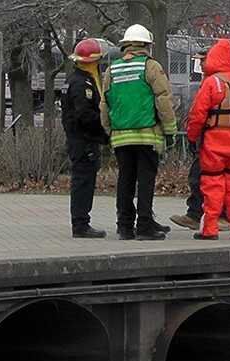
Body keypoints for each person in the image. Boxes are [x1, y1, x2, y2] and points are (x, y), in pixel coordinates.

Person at [100, 24, 177, 240]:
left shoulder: (112, 69)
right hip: (147, 135)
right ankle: (144, 226)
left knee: (125, 180)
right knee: (145, 180)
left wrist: (108, 130)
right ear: (146, 45)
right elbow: (163, 100)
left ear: (126, 45)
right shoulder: (151, 67)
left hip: (121, 136)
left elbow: (105, 103)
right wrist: (170, 130)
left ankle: (124, 226)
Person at [186, 39, 230, 240]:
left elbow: (197, 115)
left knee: (212, 184)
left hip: (214, 141)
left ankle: (210, 229)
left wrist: (193, 138)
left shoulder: (212, 83)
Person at [171, 47, 229, 233]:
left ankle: (214, 216)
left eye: (203, 60)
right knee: (204, 177)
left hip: (212, 137)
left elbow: (200, 113)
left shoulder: (214, 82)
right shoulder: (214, 80)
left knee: (205, 177)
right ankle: (198, 214)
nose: (201, 64)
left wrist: (192, 133)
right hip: (216, 137)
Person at [61, 38, 109, 238]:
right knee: (83, 182)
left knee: (83, 180)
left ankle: (81, 221)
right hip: (84, 140)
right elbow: (85, 115)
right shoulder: (83, 84)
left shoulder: (75, 80)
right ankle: (81, 224)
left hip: (79, 139)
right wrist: (104, 129)